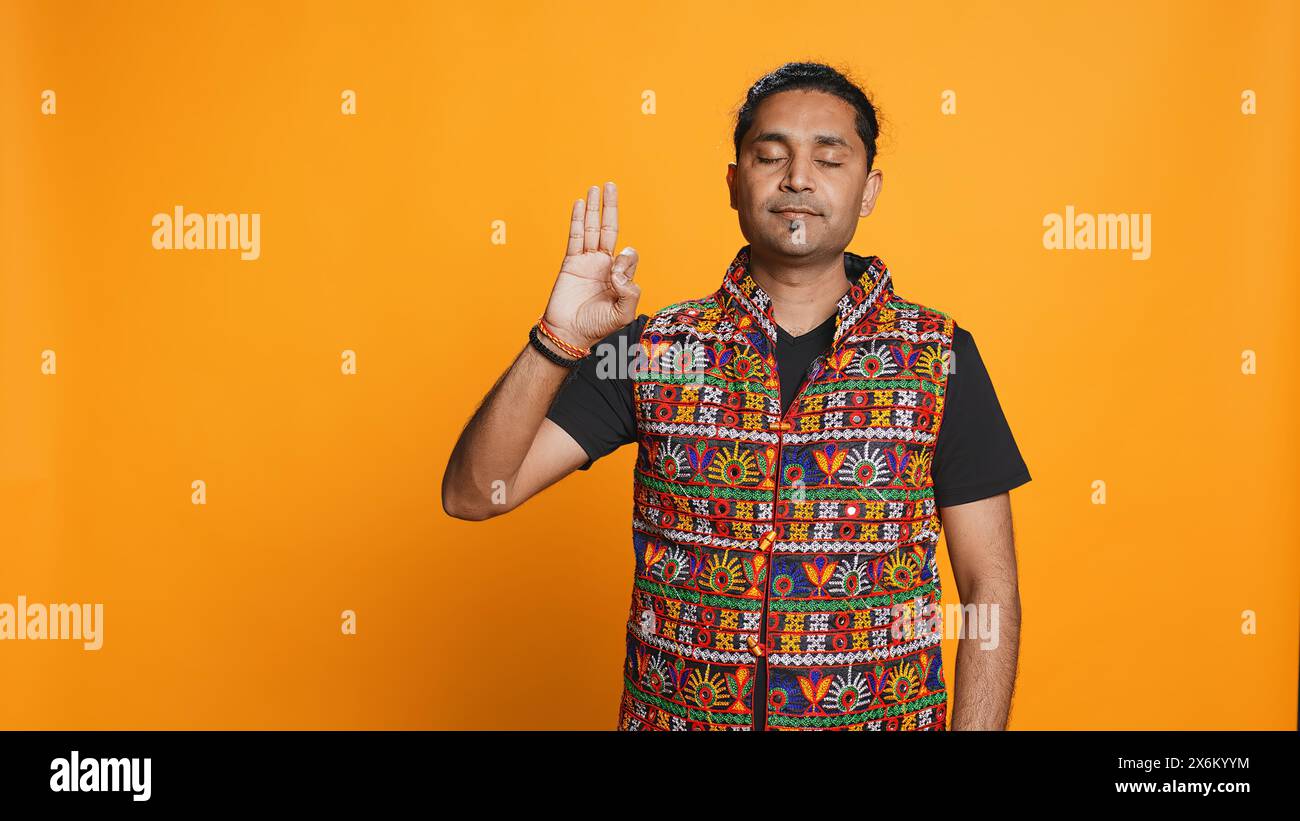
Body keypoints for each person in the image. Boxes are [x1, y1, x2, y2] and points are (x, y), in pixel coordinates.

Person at [443, 61, 1030, 731]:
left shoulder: (938, 354)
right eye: (770, 156)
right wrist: (559, 339)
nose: (798, 178)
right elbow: (473, 493)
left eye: (828, 159)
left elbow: (989, 588)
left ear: (868, 191)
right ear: (733, 182)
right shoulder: (652, 350)